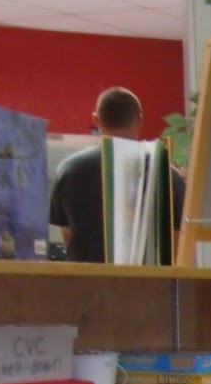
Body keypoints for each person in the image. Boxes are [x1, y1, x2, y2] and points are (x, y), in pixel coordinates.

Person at [48, 86, 185, 262]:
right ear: (139, 120)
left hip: (85, 284)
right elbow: (176, 239)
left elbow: (68, 233)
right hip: (147, 285)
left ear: (96, 120)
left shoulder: (69, 169)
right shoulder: (166, 174)